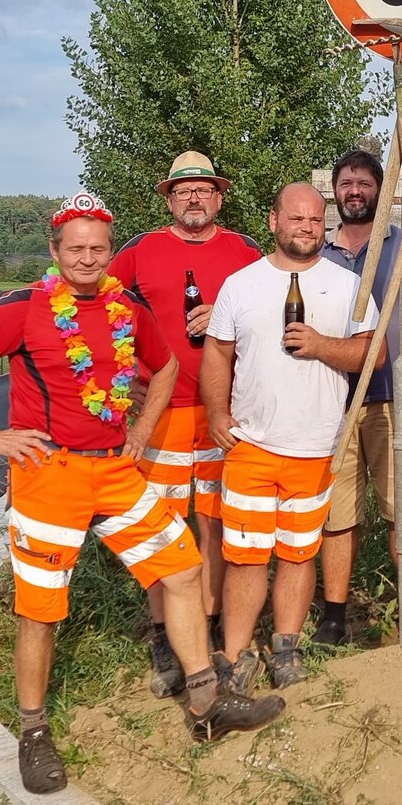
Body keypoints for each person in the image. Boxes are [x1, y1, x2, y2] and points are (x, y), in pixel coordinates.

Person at [0, 193, 282, 794]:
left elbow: (165, 367)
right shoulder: (24, 308)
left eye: (98, 249)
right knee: (40, 609)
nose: (87, 258)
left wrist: (141, 430)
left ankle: (206, 702)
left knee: (183, 568)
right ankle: (34, 732)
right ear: (55, 251)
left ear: (112, 253)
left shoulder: (126, 307)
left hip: (115, 470)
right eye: (76, 248)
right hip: (49, 474)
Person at [201, 184, 375, 688]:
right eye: (297, 218)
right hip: (250, 446)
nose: (307, 228)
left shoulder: (348, 285)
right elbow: (217, 354)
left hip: (316, 447)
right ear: (274, 220)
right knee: (246, 557)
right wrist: (217, 413)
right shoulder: (242, 284)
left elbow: (373, 354)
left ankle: (286, 651)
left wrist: (322, 346)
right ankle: (235, 658)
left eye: (316, 220)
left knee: (299, 555)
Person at [107, 150, 261, 696]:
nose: (194, 197)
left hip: (225, 410)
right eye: (183, 190)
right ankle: (165, 639)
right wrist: (124, 377)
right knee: (162, 528)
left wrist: (225, 312)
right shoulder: (139, 251)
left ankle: (212, 632)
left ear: (219, 197)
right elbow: (95, 312)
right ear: (169, 199)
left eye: (203, 188)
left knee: (218, 524)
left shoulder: (245, 252)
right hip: (163, 413)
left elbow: (271, 317)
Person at [316, 148, 402, 646]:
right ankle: (334, 616)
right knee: (337, 516)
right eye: (347, 183)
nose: (355, 192)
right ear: (335, 191)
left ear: (381, 191)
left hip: (396, 399)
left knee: (401, 512)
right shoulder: (318, 252)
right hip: (334, 403)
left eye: (365, 184)